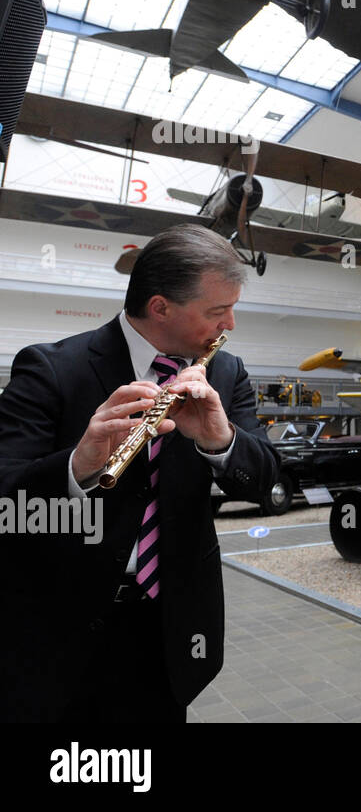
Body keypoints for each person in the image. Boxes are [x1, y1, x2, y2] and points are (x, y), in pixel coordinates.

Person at [0, 224, 279, 723]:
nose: (230, 324)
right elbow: (7, 504)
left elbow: (264, 483)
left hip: (170, 627)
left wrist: (220, 441)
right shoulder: (51, 367)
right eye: (218, 311)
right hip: (62, 631)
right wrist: (76, 466)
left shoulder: (227, 372)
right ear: (160, 307)